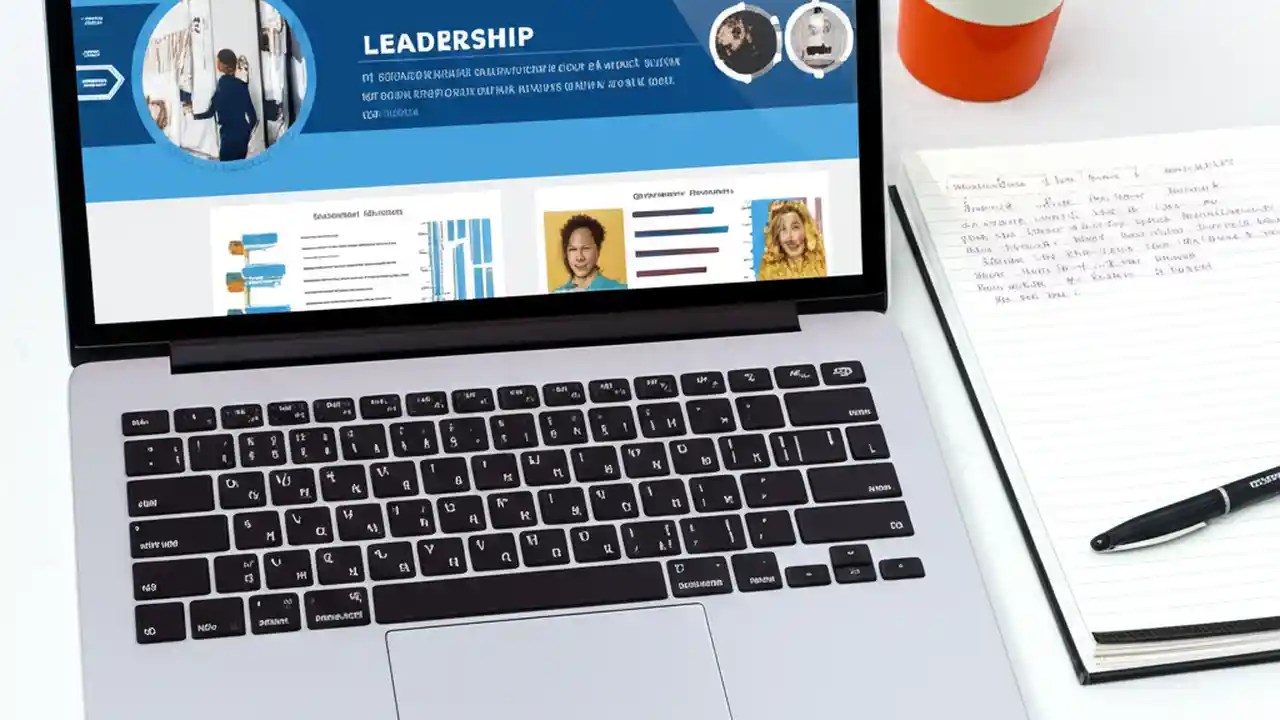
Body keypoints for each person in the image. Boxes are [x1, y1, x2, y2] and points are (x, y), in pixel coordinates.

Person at [185, 49, 257, 161]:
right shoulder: (242, 86)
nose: (216, 63)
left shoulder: (222, 85)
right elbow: (253, 117)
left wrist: (193, 115)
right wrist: (247, 133)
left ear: (223, 65)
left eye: (218, 61)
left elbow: (210, 112)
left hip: (228, 136)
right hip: (242, 136)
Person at [552, 214, 627, 293]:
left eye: (585, 248)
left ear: (598, 250)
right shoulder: (558, 292)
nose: (580, 257)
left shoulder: (619, 288)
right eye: (573, 249)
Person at [757, 200, 828, 281]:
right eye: (783, 229)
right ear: (777, 237)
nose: (790, 237)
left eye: (795, 227)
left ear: (806, 230)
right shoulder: (767, 272)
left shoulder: (824, 263)